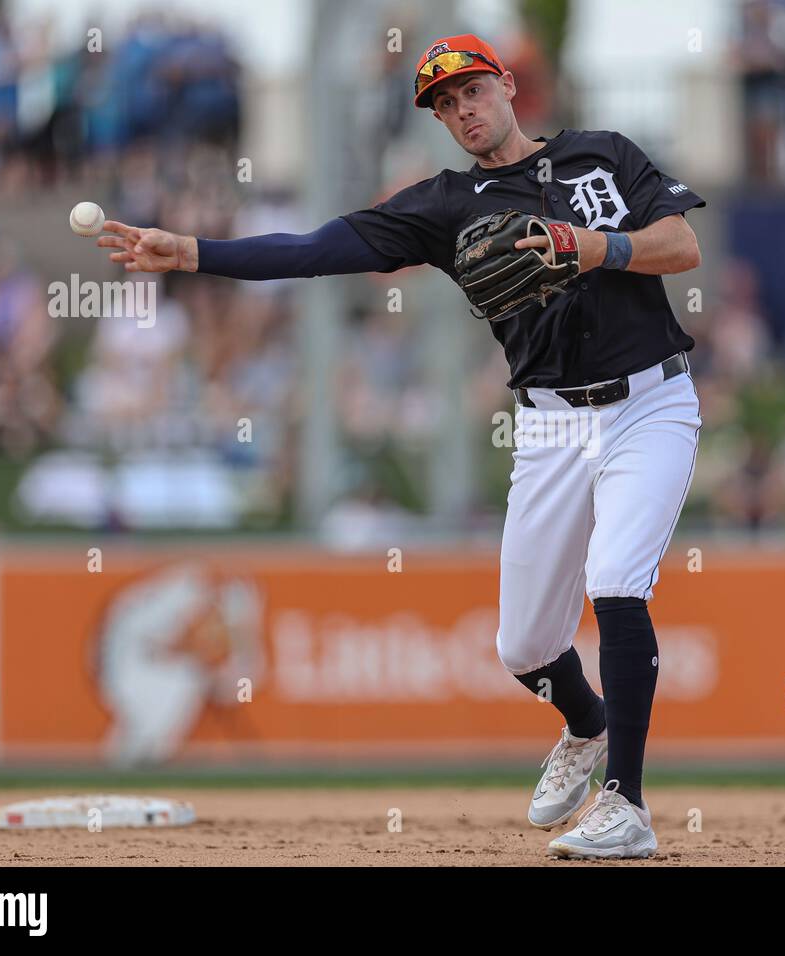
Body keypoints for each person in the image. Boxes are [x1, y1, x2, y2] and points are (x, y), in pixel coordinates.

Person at [97, 33, 705, 860]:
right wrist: (193, 254)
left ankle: (627, 805)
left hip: (649, 402)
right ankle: (587, 725)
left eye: (472, 90)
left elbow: (682, 244)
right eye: (445, 103)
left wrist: (588, 246)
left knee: (615, 583)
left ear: (507, 86)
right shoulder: (443, 206)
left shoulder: (603, 154)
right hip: (552, 420)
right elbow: (314, 251)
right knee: (524, 646)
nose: (462, 110)